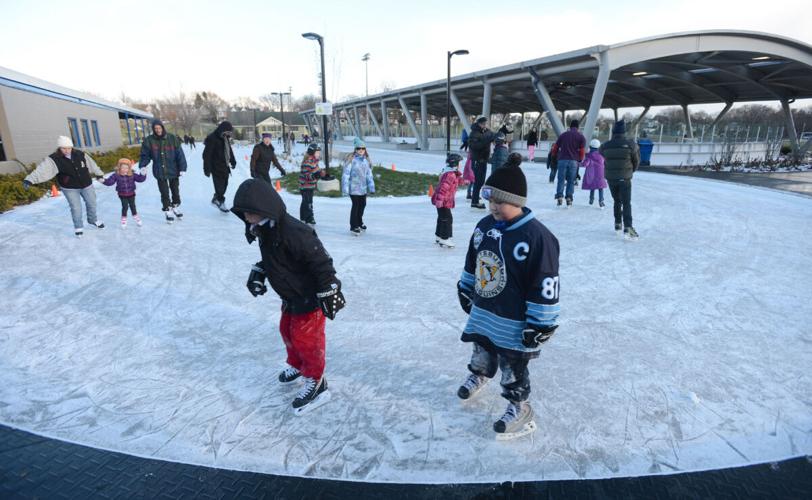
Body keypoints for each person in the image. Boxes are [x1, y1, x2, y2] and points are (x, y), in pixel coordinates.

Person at [455, 160, 560, 439]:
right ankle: (479, 374)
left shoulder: (537, 238)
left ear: (515, 201)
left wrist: (541, 323)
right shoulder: (485, 226)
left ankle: (520, 406)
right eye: (489, 200)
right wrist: (466, 286)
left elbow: (545, 282)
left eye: (499, 201)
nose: (492, 207)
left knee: (513, 364)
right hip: (485, 309)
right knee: (481, 346)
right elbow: (473, 260)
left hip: (514, 320)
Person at [231, 178, 345, 415]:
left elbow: (321, 261)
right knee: (287, 332)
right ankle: (298, 365)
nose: (246, 217)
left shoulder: (295, 232)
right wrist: (260, 271)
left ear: (263, 208)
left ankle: (316, 380)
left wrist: (329, 288)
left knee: (307, 340)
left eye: (249, 212)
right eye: (243, 213)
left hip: (309, 296)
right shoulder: (264, 228)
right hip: (290, 295)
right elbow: (275, 259)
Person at [23, 135, 105, 236]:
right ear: (59, 148)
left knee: (92, 203)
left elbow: (92, 164)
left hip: (86, 184)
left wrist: (99, 173)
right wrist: (29, 179)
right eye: (64, 148)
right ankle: (78, 226)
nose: (67, 151)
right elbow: (42, 170)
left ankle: (93, 220)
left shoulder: (80, 154)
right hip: (69, 188)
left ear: (72, 147)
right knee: (76, 208)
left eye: (69, 148)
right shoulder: (54, 159)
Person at [139, 119, 187, 223]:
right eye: (155, 128)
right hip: (159, 170)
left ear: (162, 128)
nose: (158, 130)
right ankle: (167, 209)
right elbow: (145, 155)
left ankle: (175, 206)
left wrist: (183, 168)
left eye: (159, 128)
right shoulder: (149, 140)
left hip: (173, 169)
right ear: (153, 129)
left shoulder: (172, 138)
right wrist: (143, 165)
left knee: (175, 190)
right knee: (164, 192)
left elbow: (180, 155)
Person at [600, 120, 640, 239]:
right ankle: (628, 226)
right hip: (625, 178)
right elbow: (637, 161)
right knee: (626, 202)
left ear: (613, 132)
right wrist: (630, 171)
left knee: (617, 201)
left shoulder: (605, 145)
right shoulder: (630, 144)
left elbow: (602, 155)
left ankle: (618, 223)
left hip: (611, 178)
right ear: (624, 131)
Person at [341, 138, 375, 235]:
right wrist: (345, 189)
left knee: (362, 205)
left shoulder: (366, 161)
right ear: (355, 149)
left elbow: (369, 175)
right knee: (356, 206)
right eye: (359, 148)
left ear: (365, 150)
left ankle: (359, 222)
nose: (361, 150)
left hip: (363, 188)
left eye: (363, 148)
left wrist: (371, 187)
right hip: (353, 188)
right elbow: (346, 175)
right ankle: (353, 226)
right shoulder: (352, 160)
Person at [102, 158, 147, 228]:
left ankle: (135, 216)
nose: (124, 169)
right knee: (125, 207)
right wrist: (103, 181)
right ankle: (124, 218)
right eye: (122, 167)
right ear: (119, 167)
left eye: (126, 168)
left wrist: (143, 174)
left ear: (129, 168)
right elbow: (110, 182)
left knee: (133, 206)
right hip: (122, 194)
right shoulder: (116, 175)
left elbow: (140, 179)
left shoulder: (132, 174)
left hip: (131, 194)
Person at [203, 121, 237, 212]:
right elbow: (206, 155)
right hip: (215, 166)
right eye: (228, 132)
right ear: (223, 130)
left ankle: (216, 198)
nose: (229, 134)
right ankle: (220, 202)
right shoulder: (212, 138)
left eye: (230, 132)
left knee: (225, 184)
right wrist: (207, 168)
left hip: (225, 166)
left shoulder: (225, 138)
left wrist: (233, 161)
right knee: (219, 186)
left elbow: (229, 150)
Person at [551, 119, 586, 207]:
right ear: (578, 127)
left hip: (562, 160)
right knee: (571, 180)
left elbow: (555, 147)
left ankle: (559, 196)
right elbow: (582, 150)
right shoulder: (581, 137)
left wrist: (554, 155)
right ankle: (569, 197)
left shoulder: (563, 135)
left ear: (570, 127)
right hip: (574, 161)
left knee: (561, 179)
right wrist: (580, 159)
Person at [431, 153, 463, 248]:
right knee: (447, 219)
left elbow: (455, 182)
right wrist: (440, 201)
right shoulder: (450, 174)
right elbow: (443, 188)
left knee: (442, 217)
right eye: (459, 163)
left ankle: (439, 235)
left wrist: (465, 181)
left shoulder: (450, 172)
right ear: (455, 164)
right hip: (443, 201)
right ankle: (445, 238)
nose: (460, 165)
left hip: (443, 200)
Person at [467, 116, 496, 209]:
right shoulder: (474, 133)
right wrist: (486, 140)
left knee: (481, 181)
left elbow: (492, 135)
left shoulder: (485, 131)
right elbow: (474, 146)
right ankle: (474, 202)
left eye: (486, 124)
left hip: (484, 160)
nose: (485, 126)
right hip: (477, 160)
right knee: (478, 181)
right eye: (483, 124)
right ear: (479, 124)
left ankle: (475, 199)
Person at [299, 143, 325, 225]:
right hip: (305, 186)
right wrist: (316, 175)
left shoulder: (314, 161)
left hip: (310, 185)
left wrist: (322, 173)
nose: (319, 154)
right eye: (317, 152)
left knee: (306, 202)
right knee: (308, 202)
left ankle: (303, 217)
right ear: (312, 152)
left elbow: (317, 170)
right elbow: (307, 175)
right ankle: (309, 218)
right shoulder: (307, 162)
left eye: (319, 152)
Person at [581, 139, 607, 208]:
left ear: (590, 146)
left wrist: (581, 163)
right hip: (600, 175)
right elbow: (605, 163)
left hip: (592, 174)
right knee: (600, 187)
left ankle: (591, 199)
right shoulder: (601, 156)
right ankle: (601, 201)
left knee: (592, 186)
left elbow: (585, 164)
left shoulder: (589, 156)